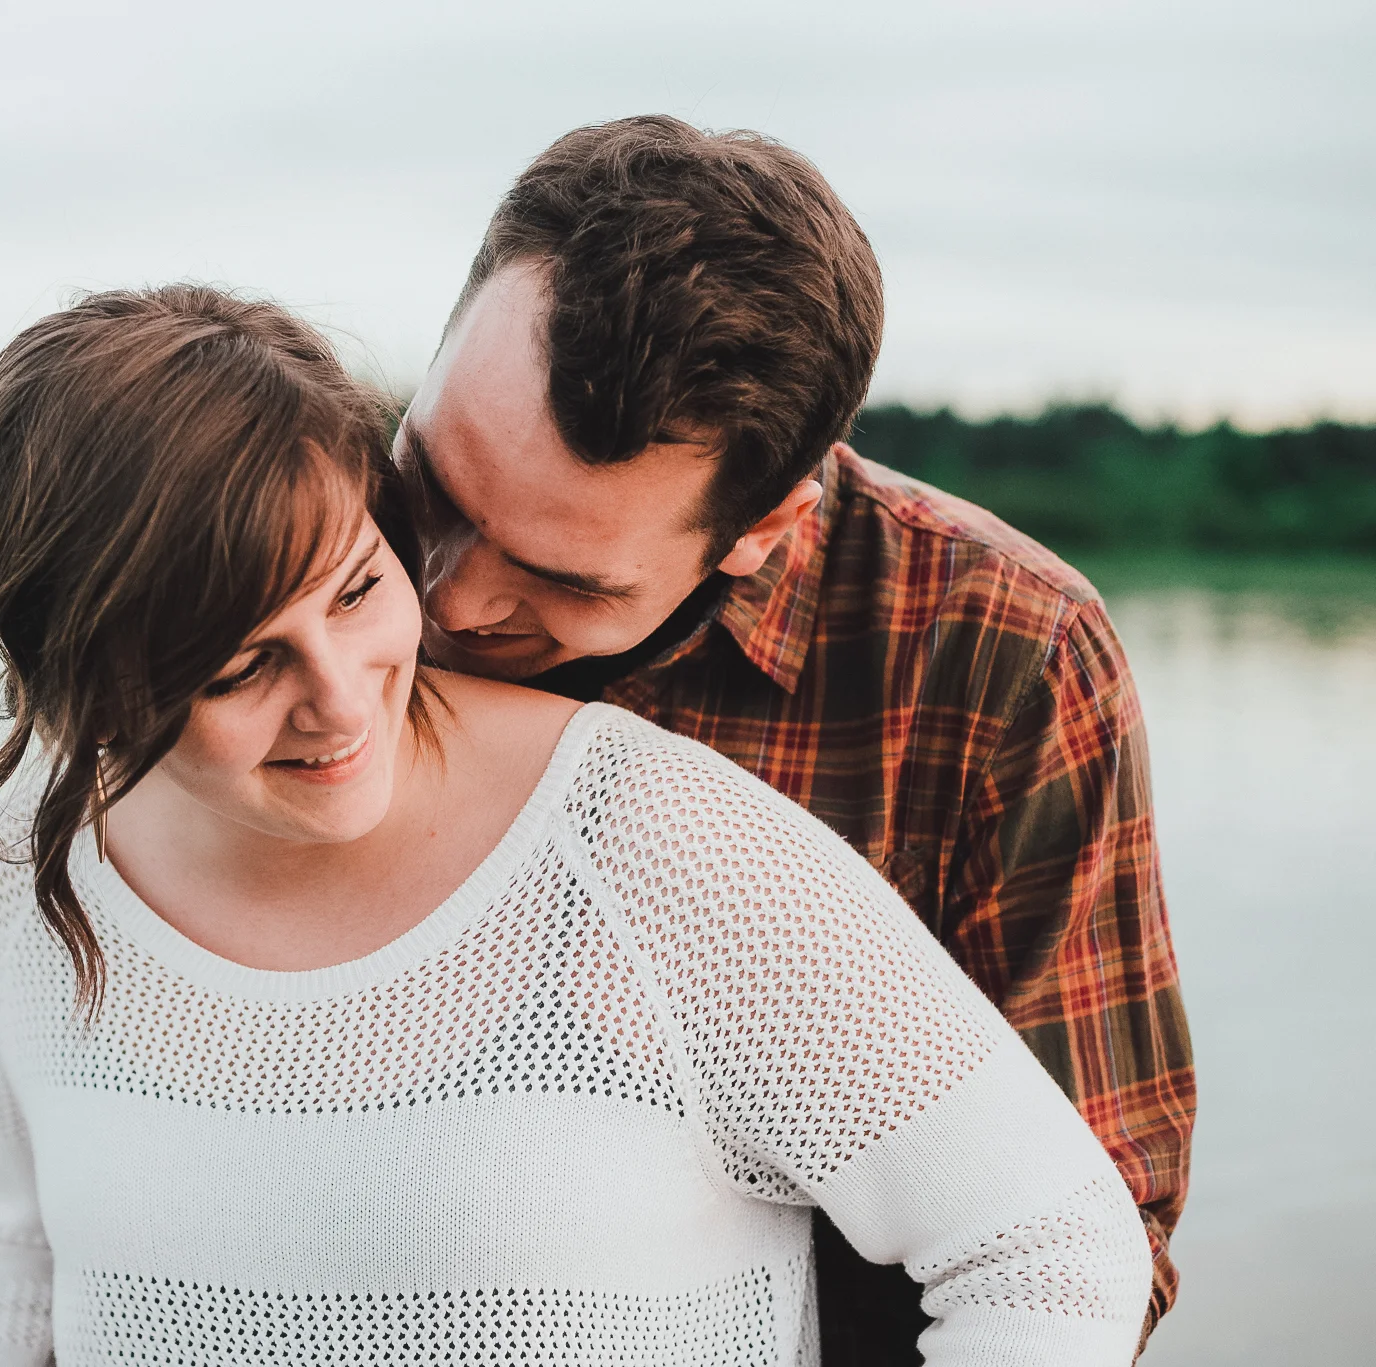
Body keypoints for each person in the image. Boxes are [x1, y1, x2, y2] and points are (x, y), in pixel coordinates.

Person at [0, 283, 1153, 1367]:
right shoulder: (17, 870)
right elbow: (13, 1241)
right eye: (243, 665)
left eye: (357, 588)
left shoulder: (658, 846)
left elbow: (1046, 1244)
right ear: (66, 674)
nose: (345, 699)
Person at [393, 116, 1194, 1363]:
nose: (441, 599)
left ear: (762, 526)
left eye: (564, 579)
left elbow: (1085, 1220)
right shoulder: (290, 538)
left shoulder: (997, 652)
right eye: (432, 484)